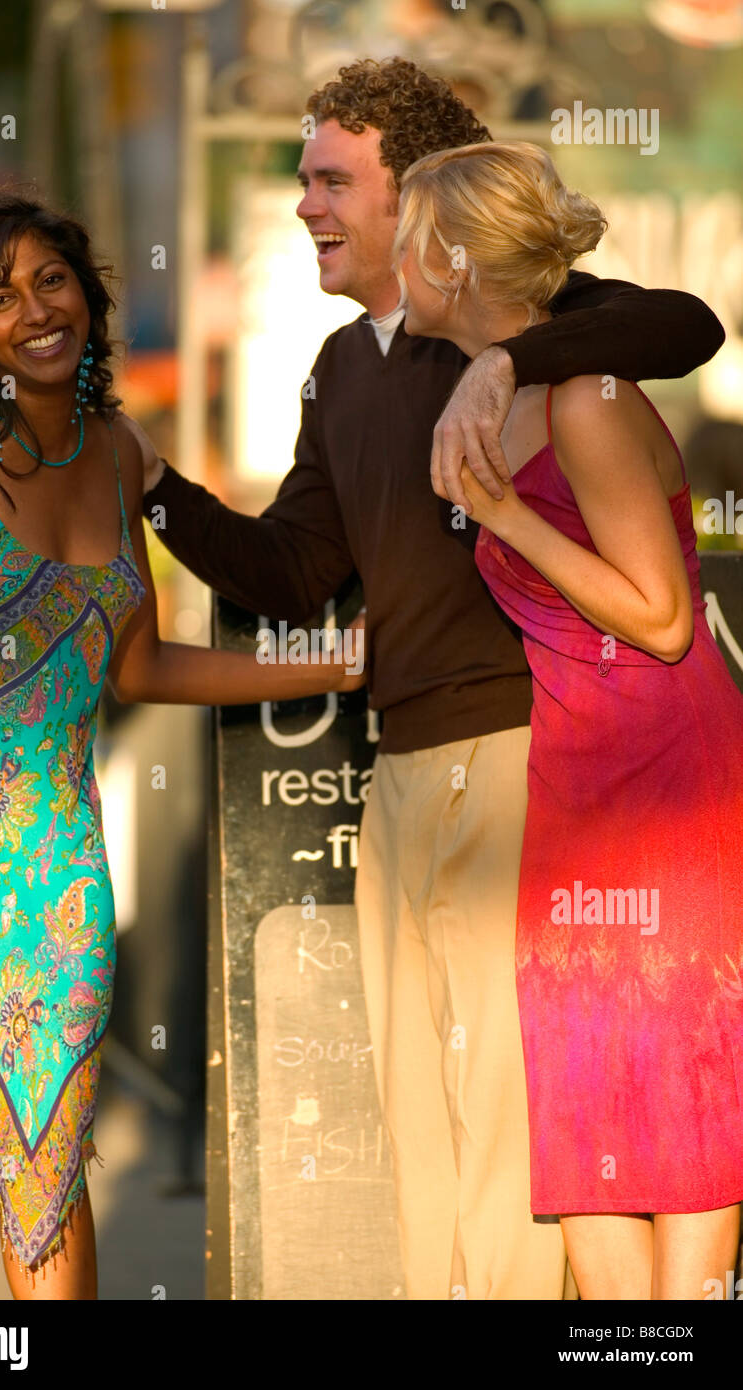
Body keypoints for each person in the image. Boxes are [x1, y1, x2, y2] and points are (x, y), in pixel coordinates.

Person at [131, 57, 726, 1300]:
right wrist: (154, 489)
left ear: (416, 205)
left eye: (329, 180)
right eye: (300, 180)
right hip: (397, 774)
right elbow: (295, 568)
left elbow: (686, 324)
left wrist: (512, 364)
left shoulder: (544, 329)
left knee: (523, 1132)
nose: (304, 206)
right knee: (423, 1128)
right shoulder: (344, 367)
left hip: (528, 763)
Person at [0, 189, 364, 1301]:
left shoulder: (115, 455)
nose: (34, 312)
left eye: (51, 282)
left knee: (47, 1157)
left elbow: (138, 665)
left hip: (57, 874)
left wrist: (338, 663)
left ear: (88, 301)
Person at [396, 137, 743, 1299]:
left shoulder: (586, 402)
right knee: (581, 1092)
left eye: (408, 237)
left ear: (448, 257)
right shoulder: (504, 381)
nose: (394, 260)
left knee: (683, 1090)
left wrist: (506, 514)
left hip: (667, 766)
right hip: (576, 769)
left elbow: (657, 618)